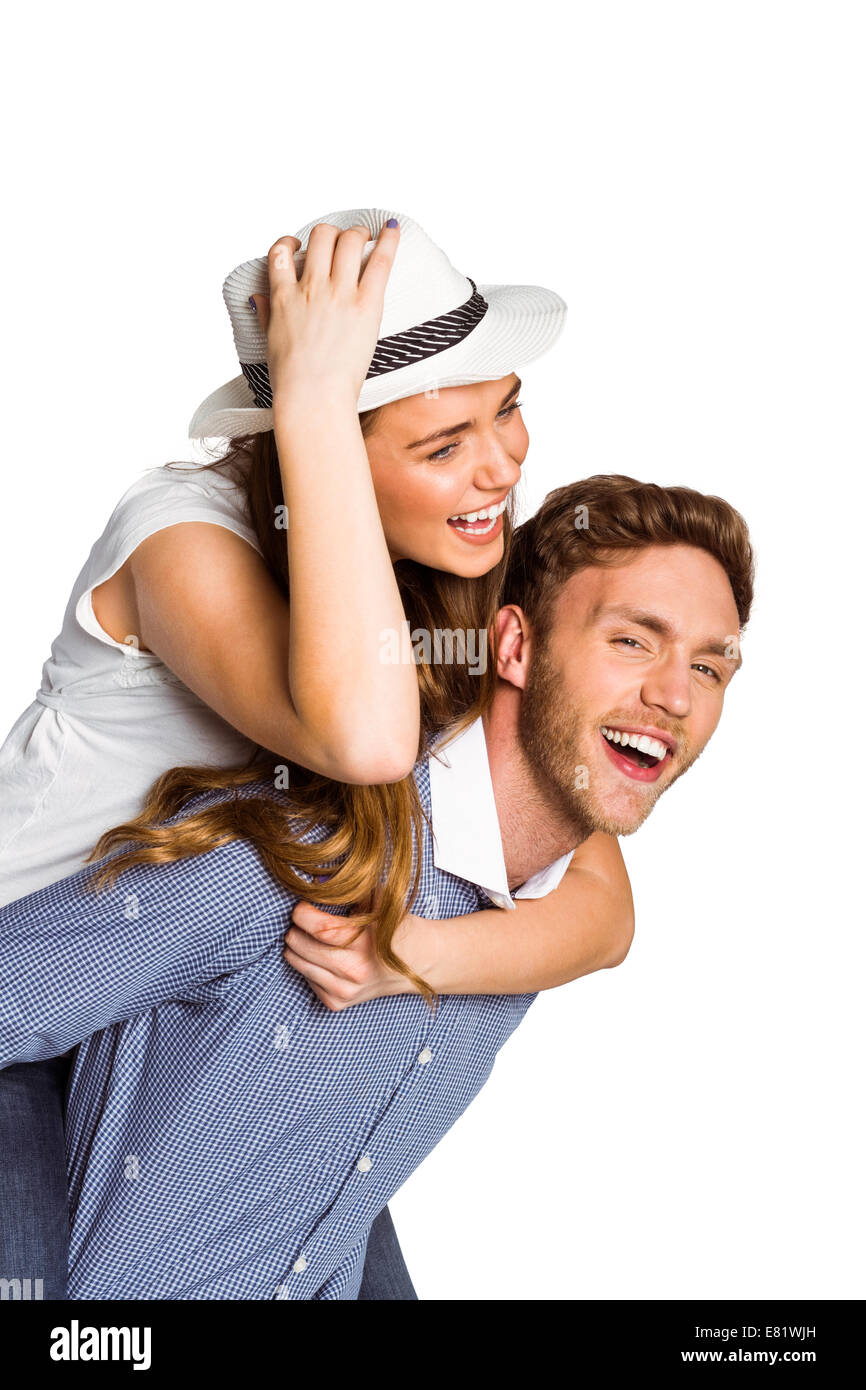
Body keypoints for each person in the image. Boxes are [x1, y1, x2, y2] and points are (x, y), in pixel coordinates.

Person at [0, 208, 632, 1299]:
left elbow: (595, 893)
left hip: (196, 1025)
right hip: (30, 1021)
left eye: (506, 411)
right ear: (312, 444)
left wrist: (411, 961)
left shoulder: (428, 572)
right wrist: (312, 407)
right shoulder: (178, 539)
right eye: (441, 445)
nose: (497, 471)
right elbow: (370, 742)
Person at [0, 472, 753, 1299]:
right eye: (633, 642)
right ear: (515, 647)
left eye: (711, 669)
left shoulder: (532, 920)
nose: (676, 695)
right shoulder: (296, 853)